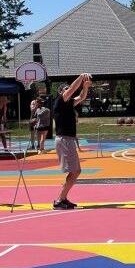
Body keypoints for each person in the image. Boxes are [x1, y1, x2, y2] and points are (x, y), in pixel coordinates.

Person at [52, 74, 92, 210]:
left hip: (68, 140)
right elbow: (73, 90)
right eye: (67, 89)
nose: (69, 90)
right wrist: (81, 77)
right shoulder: (60, 100)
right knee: (75, 171)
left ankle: (62, 198)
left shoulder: (68, 103)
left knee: (77, 171)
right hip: (64, 140)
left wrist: (85, 87)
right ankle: (59, 200)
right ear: (61, 92)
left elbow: (81, 97)